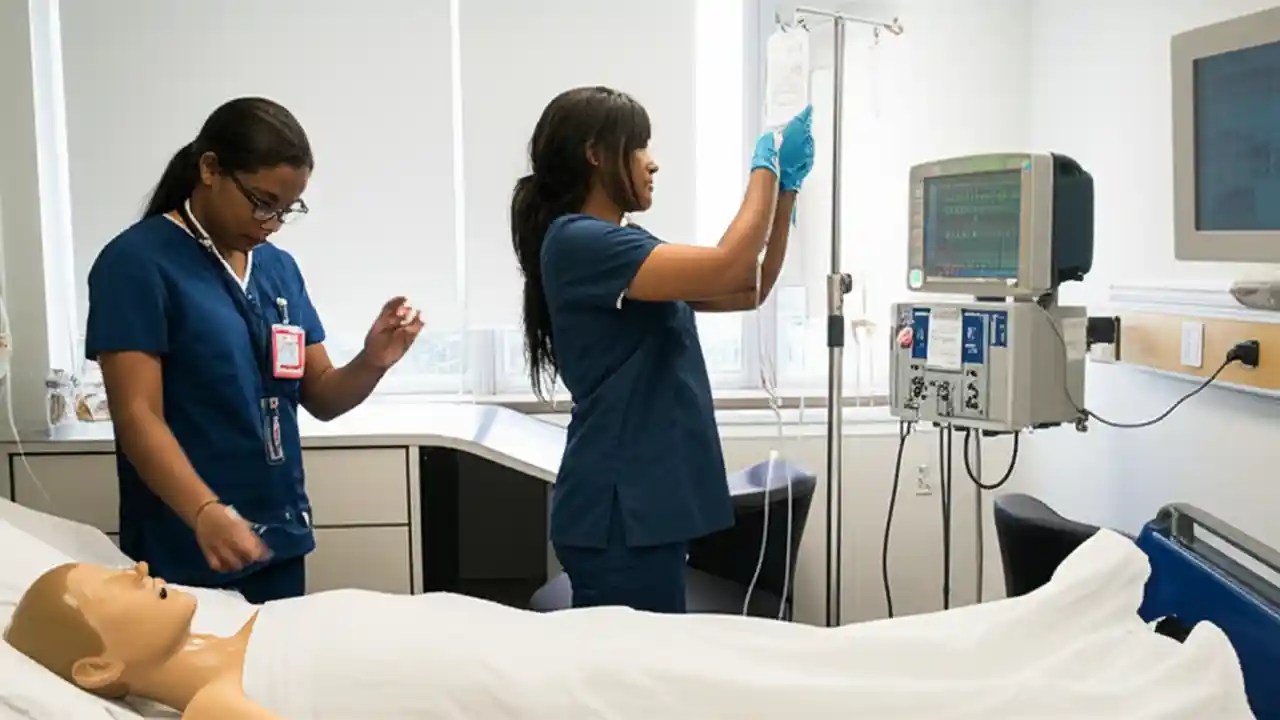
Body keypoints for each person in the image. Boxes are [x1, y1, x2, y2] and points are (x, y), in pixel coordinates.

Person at [2, 532, 1253, 719]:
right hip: (563, 687)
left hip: (563, 644)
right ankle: (1065, 684)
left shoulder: (232, 627)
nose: (138, 571)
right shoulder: (217, 698)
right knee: (799, 692)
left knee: (799, 654)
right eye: (112, 589)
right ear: (105, 667)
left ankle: (1032, 639)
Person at [83, 97, 424, 604]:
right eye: (262, 202)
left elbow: (323, 397)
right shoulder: (136, 264)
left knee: (272, 678)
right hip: (186, 540)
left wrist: (373, 360)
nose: (272, 223)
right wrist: (203, 511)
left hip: (276, 537)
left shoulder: (278, 269)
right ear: (209, 169)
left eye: (287, 210)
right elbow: (137, 415)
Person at [509, 87, 816, 613]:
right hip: (619, 513)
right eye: (640, 148)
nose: (653, 164)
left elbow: (749, 286)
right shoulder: (578, 242)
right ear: (596, 153)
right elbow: (729, 263)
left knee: (647, 674)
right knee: (632, 681)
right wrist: (763, 165)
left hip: (644, 507)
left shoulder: (621, 241)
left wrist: (785, 191)